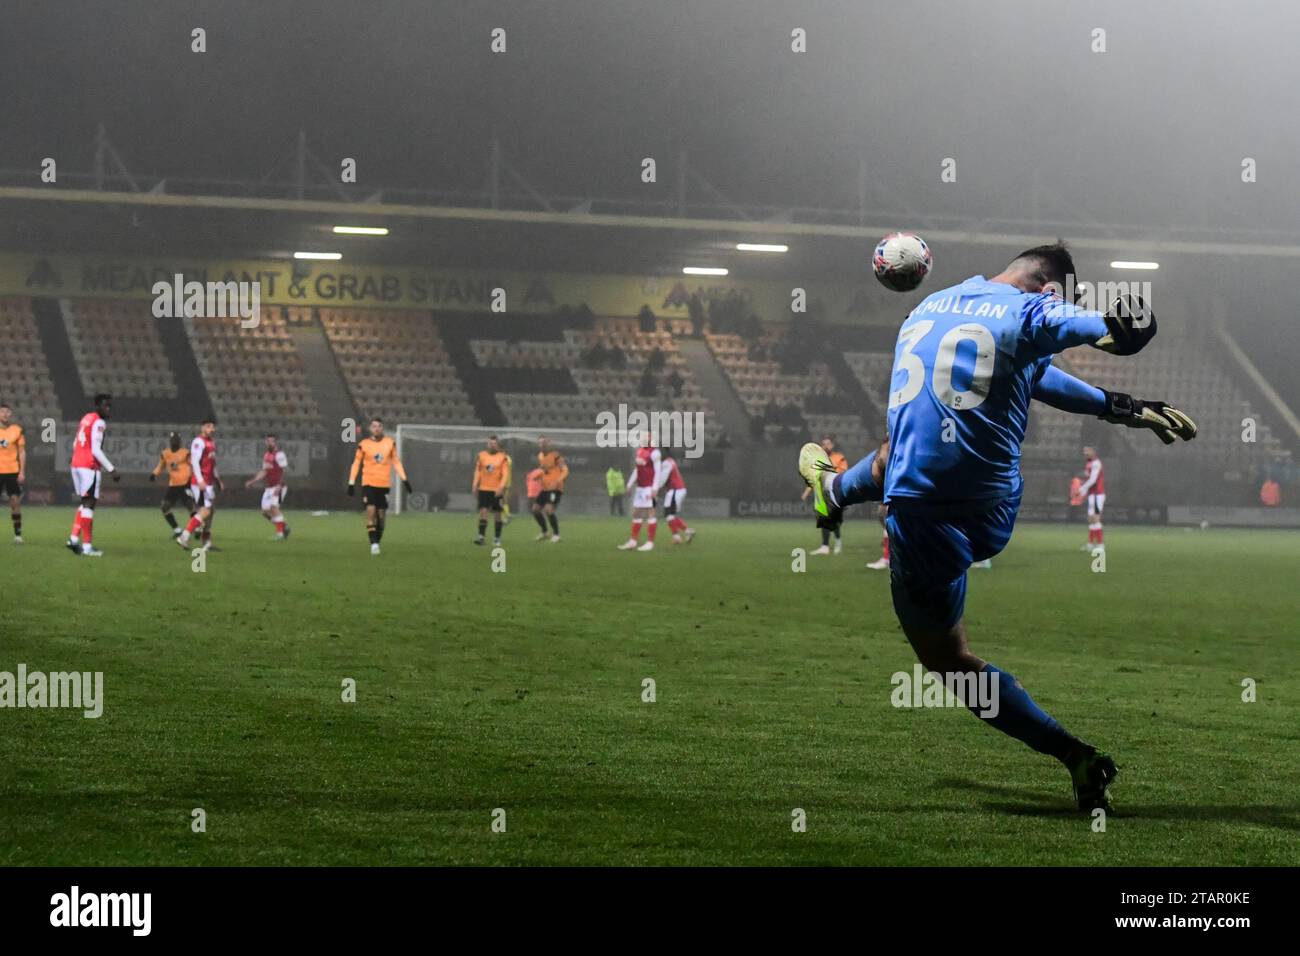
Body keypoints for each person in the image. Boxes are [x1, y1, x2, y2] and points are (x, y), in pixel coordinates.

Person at [799, 241, 1196, 812]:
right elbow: (1101, 331)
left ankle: (833, 489)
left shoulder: (925, 309)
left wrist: (1115, 381)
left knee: (947, 660)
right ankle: (832, 491)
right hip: (991, 508)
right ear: (1052, 288)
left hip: (921, 513)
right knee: (899, 452)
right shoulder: (1033, 311)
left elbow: (1054, 350)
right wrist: (1122, 380)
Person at [67, 393, 121, 557]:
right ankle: (87, 547)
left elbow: (76, 442)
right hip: (89, 467)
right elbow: (96, 450)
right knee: (89, 504)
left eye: (110, 405)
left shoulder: (86, 418)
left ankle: (73, 539)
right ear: (97, 406)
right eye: (105, 405)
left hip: (76, 463)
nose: (108, 409)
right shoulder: (99, 422)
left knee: (84, 503)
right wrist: (111, 469)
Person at [347, 417, 411, 555]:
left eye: (379, 426)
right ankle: (374, 544)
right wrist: (351, 482)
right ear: (370, 428)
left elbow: (396, 462)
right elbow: (356, 463)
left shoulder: (390, 443)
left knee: (381, 517)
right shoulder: (363, 444)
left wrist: (404, 479)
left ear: (382, 428)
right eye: (374, 426)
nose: (376, 428)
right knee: (370, 511)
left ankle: (377, 540)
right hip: (368, 484)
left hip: (383, 485)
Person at [177, 418, 221, 551]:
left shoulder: (211, 443)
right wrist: (200, 480)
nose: (211, 429)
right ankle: (184, 537)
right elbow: (195, 462)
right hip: (200, 483)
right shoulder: (198, 442)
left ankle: (206, 542)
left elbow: (211, 464)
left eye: (212, 427)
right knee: (205, 510)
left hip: (208, 482)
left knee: (210, 511)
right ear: (202, 428)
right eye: (208, 426)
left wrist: (218, 480)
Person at [801, 435, 847, 555]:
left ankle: (837, 541)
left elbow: (843, 474)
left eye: (827, 444)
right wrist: (807, 492)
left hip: (835, 492)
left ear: (832, 445)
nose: (825, 446)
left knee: (834, 520)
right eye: (823, 444)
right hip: (821, 494)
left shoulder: (839, 458)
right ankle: (825, 546)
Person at [245, 433, 291, 540]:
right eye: (268, 441)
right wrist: (253, 481)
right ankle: (283, 526)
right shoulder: (266, 455)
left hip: (279, 486)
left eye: (272, 441)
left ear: (275, 443)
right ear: (266, 442)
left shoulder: (279, 454)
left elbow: (285, 470)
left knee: (274, 507)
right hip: (269, 487)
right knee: (265, 511)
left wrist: (280, 484)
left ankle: (280, 533)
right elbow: (264, 471)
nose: (270, 443)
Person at [618, 439, 660, 551]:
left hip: (650, 487)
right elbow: (637, 470)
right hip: (640, 488)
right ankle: (632, 542)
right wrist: (630, 484)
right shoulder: (640, 451)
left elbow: (658, 471)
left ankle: (650, 543)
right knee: (636, 513)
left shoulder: (655, 452)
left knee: (651, 512)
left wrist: (655, 488)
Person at [150, 431, 193, 537]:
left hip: (185, 483)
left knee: (190, 506)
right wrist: (154, 474)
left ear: (180, 441)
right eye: (173, 439)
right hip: (173, 485)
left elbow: (193, 465)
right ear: (170, 441)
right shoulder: (165, 453)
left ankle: (198, 528)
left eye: (177, 439)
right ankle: (177, 530)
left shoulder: (185, 453)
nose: (175, 441)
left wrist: (193, 479)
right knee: (165, 506)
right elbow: (161, 465)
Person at [471, 435, 510, 546]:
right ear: (487, 444)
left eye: (494, 444)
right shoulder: (481, 456)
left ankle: (497, 538)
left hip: (496, 490)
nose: (492, 445)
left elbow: (505, 474)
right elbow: (477, 472)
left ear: (497, 445)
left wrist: (501, 487)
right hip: (483, 489)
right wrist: (475, 485)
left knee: (497, 514)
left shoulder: (503, 457)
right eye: (490, 443)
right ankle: (481, 537)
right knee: (483, 512)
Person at [532, 436, 567, 542]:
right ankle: (545, 532)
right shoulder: (540, 456)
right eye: (540, 443)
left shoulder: (556, 456)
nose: (542, 445)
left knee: (548, 510)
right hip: (545, 488)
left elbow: (565, 471)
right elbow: (544, 470)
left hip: (555, 488)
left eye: (544, 443)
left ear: (549, 444)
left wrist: (557, 481)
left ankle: (556, 534)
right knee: (535, 510)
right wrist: (539, 475)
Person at [0, 402, 26, 544]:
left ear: (10, 414)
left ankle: (18, 534)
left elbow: (22, 452)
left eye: (7, 411)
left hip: (12, 471)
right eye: (2, 411)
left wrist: (22, 471)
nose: (4, 414)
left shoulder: (17, 430)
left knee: (15, 502)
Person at [658, 450, 694, 544]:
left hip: (675, 490)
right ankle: (685, 532)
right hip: (676, 490)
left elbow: (662, 480)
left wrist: (654, 488)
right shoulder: (670, 461)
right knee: (669, 515)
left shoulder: (667, 463)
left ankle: (678, 536)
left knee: (669, 515)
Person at [1078, 446, 1105, 552]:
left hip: (1098, 495)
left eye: (1087, 450)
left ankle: (1100, 544)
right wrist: (1084, 492)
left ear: (1093, 451)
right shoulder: (1089, 463)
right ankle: (1090, 544)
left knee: (1096, 518)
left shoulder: (1096, 463)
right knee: (1091, 519)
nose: (1085, 453)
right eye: (1084, 451)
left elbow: (1093, 480)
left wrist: (1082, 488)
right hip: (1092, 495)